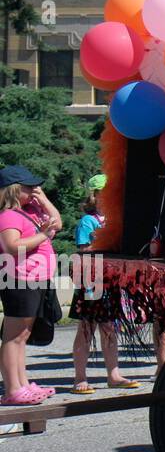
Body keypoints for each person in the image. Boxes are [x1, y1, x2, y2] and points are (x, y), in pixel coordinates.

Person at [0, 166, 62, 405]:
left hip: (34, 280)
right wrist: (43, 235)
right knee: (13, 337)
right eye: (29, 187)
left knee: (22, 336)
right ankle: (13, 389)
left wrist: (44, 200)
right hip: (18, 279)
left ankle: (22, 384)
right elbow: (12, 246)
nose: (34, 190)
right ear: (15, 190)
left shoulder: (28, 211)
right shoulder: (8, 216)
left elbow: (58, 223)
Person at [69, 185, 139, 395]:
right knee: (86, 328)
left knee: (109, 327)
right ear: (95, 196)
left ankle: (114, 374)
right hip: (92, 279)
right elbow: (83, 250)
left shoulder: (114, 218)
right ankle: (80, 377)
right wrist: (106, 242)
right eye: (104, 194)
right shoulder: (87, 222)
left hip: (110, 279)